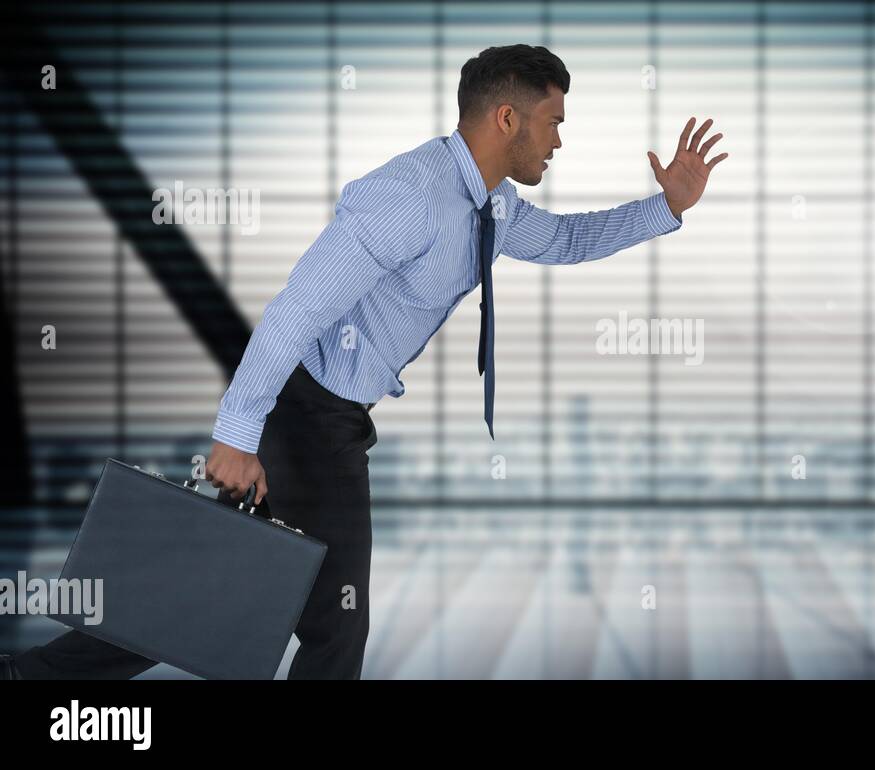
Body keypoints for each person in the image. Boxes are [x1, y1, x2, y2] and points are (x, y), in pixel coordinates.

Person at [2, 43, 726, 680]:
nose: (560, 140)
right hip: (306, 415)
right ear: (508, 118)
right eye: (555, 120)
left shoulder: (489, 207)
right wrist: (237, 431)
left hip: (327, 415)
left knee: (217, 581)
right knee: (336, 622)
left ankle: (33, 675)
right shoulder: (409, 197)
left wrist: (665, 207)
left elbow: (566, 241)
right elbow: (299, 308)